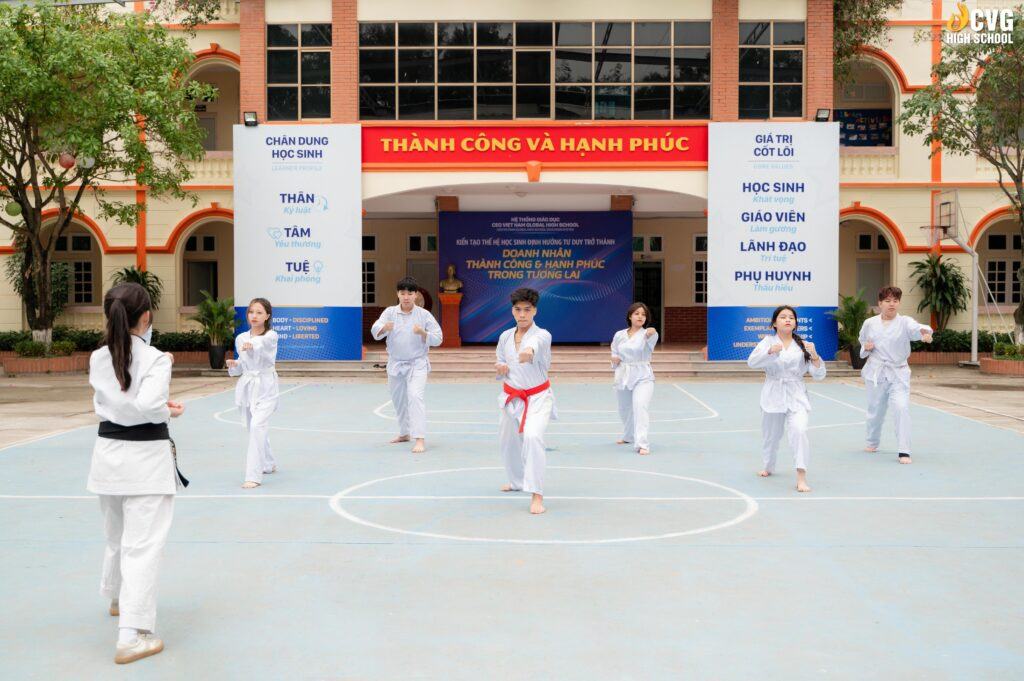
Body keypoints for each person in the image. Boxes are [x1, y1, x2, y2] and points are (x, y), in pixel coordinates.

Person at [87, 283, 185, 664]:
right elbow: (145, 404)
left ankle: (116, 596)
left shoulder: (97, 357)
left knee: (116, 535)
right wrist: (166, 409)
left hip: (108, 457)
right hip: (145, 461)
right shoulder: (157, 358)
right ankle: (133, 633)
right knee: (142, 546)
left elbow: (116, 402)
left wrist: (157, 405)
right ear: (146, 317)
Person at [747, 305, 826, 492]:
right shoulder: (767, 342)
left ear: (796, 323)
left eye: (791, 317)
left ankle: (801, 477)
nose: (788, 320)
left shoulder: (804, 345)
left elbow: (819, 374)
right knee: (771, 436)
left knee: (799, 431)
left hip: (796, 394)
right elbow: (751, 362)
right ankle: (768, 465)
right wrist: (770, 352)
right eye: (783, 317)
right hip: (773, 392)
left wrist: (814, 355)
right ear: (775, 323)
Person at [495, 288, 555, 514]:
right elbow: (501, 362)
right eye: (518, 310)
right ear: (512, 311)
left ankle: (536, 494)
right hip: (511, 396)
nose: (522, 314)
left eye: (527, 310)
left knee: (532, 437)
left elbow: (535, 346)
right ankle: (516, 480)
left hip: (538, 397)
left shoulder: (543, 335)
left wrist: (528, 350)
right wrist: (501, 368)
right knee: (508, 440)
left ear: (535, 311)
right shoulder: (504, 336)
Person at [858, 286, 933, 464]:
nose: (892, 304)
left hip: (898, 372)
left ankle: (904, 450)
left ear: (899, 303)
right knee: (875, 411)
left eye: (895, 301)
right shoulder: (870, 323)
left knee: (901, 407)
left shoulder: (905, 322)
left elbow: (918, 329)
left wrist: (925, 333)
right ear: (880, 303)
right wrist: (865, 348)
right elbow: (862, 341)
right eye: (887, 301)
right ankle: (872, 441)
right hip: (876, 372)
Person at [371, 277, 443, 453]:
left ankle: (420, 438)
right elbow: (375, 331)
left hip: (417, 364)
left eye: (410, 293)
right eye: (402, 293)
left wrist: (423, 332)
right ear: (398, 294)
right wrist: (384, 328)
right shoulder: (389, 312)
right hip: (395, 363)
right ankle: (404, 433)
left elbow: (438, 338)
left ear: (416, 295)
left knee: (415, 396)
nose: (406, 296)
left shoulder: (424, 315)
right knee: (399, 400)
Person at [227, 298, 279, 488]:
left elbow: (262, 344)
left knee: (257, 426)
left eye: (259, 312)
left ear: (267, 316)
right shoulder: (241, 338)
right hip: (249, 388)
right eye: (251, 312)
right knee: (254, 427)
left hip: (266, 387)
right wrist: (234, 365)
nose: (254, 316)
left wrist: (252, 345)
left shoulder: (272, 335)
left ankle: (253, 475)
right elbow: (242, 365)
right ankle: (269, 462)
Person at [610, 302, 658, 455]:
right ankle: (628, 435)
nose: (640, 316)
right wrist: (615, 358)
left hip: (643, 375)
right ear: (630, 316)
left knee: (640, 407)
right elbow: (614, 350)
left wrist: (652, 331)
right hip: (623, 374)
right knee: (624, 409)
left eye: (643, 314)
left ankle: (642, 443)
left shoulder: (648, 334)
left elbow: (652, 334)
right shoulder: (619, 334)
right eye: (637, 313)